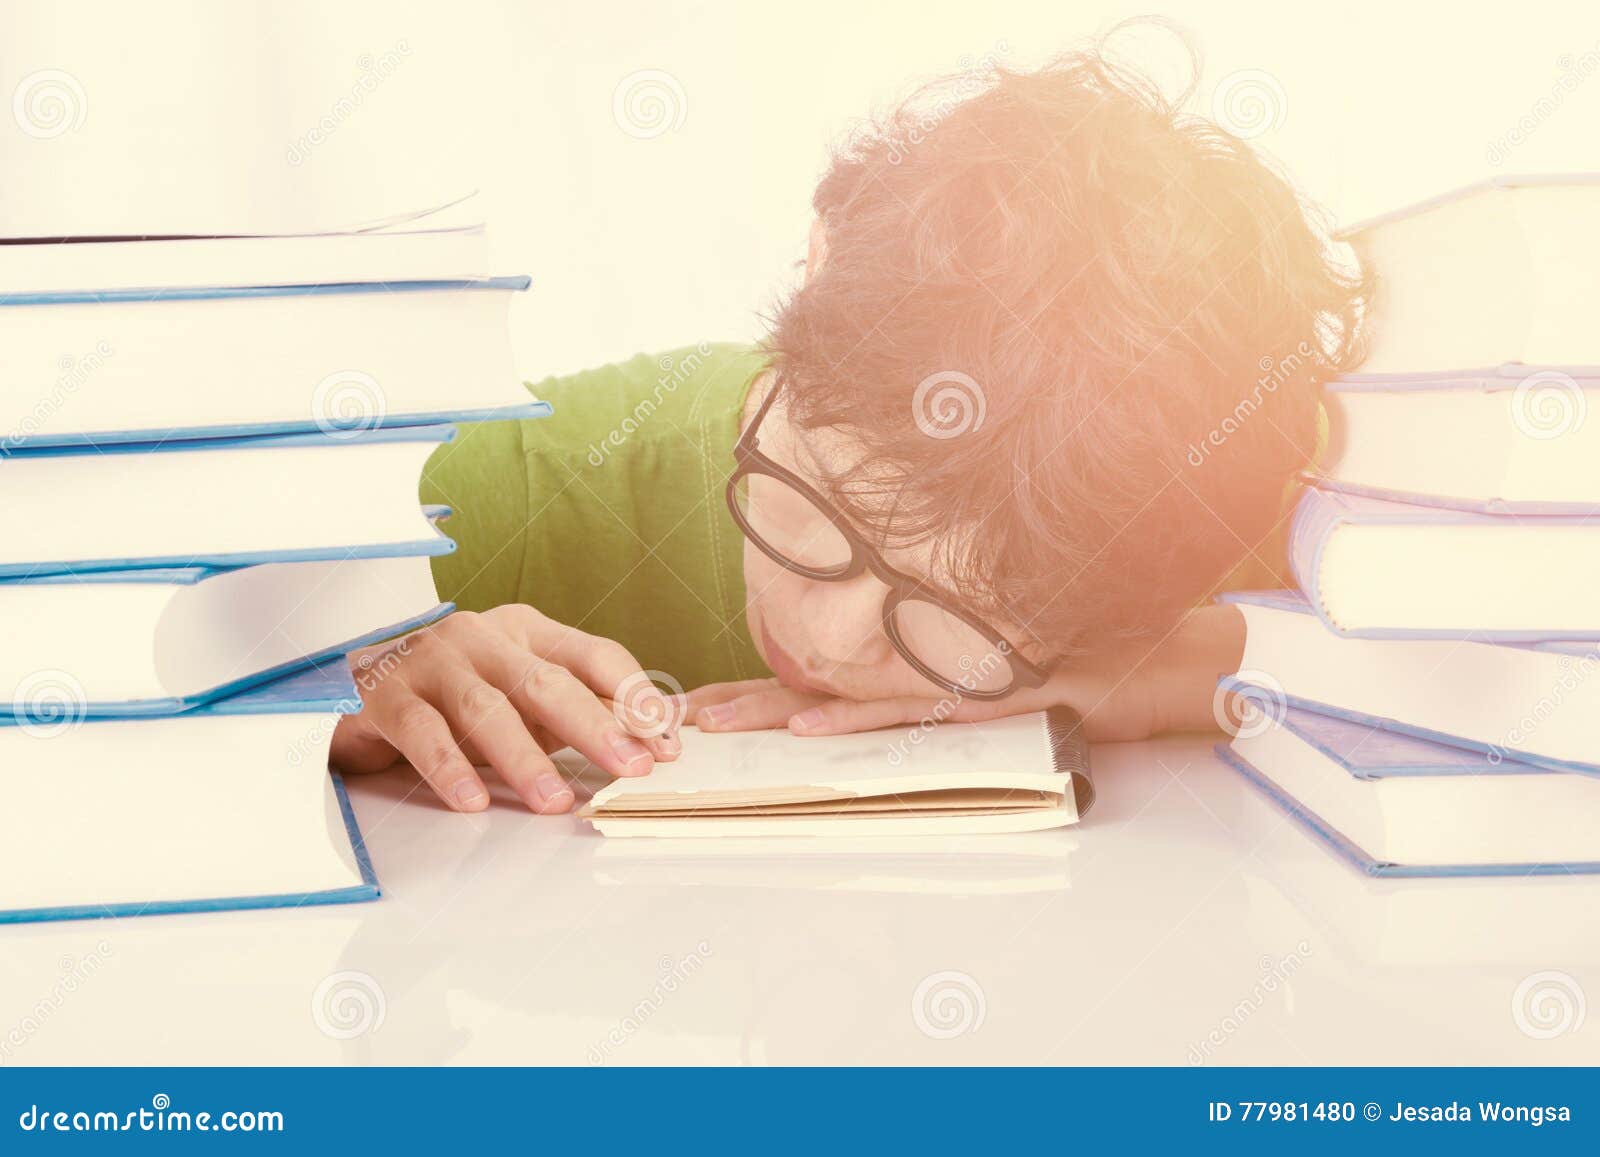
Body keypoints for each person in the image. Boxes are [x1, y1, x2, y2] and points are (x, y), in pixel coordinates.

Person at [330, 43, 1368, 814]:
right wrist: (345, 675)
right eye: (824, 499)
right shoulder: (512, 480)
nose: (827, 640)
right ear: (816, 267)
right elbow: (190, 649)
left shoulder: (1193, 493)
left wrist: (1169, 671)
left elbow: (1504, 682)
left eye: (973, 620)